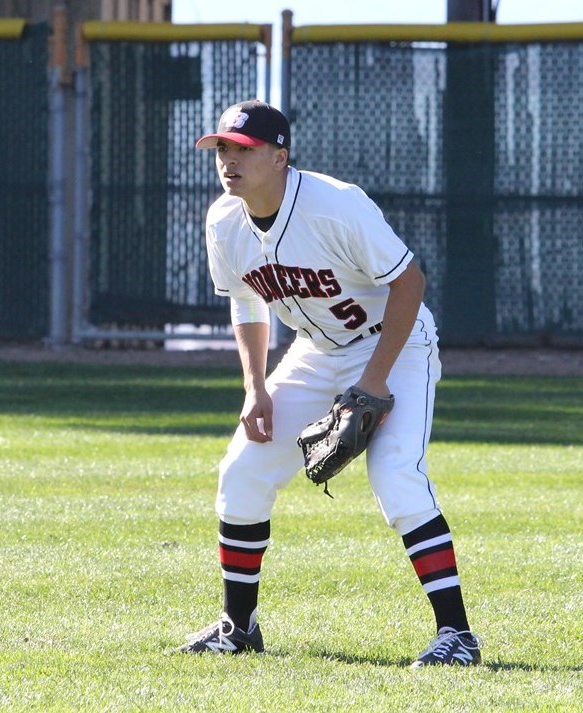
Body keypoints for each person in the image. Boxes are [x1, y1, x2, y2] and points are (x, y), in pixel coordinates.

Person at [178, 99, 481, 667]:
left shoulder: (334, 206)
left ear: (279, 156)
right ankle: (238, 627)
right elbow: (246, 300)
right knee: (242, 471)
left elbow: (409, 283)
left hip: (394, 343)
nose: (227, 160)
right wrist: (256, 386)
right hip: (314, 352)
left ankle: (457, 635)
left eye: (241, 149)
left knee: (395, 475)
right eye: (221, 148)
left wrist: (373, 381)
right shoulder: (224, 220)